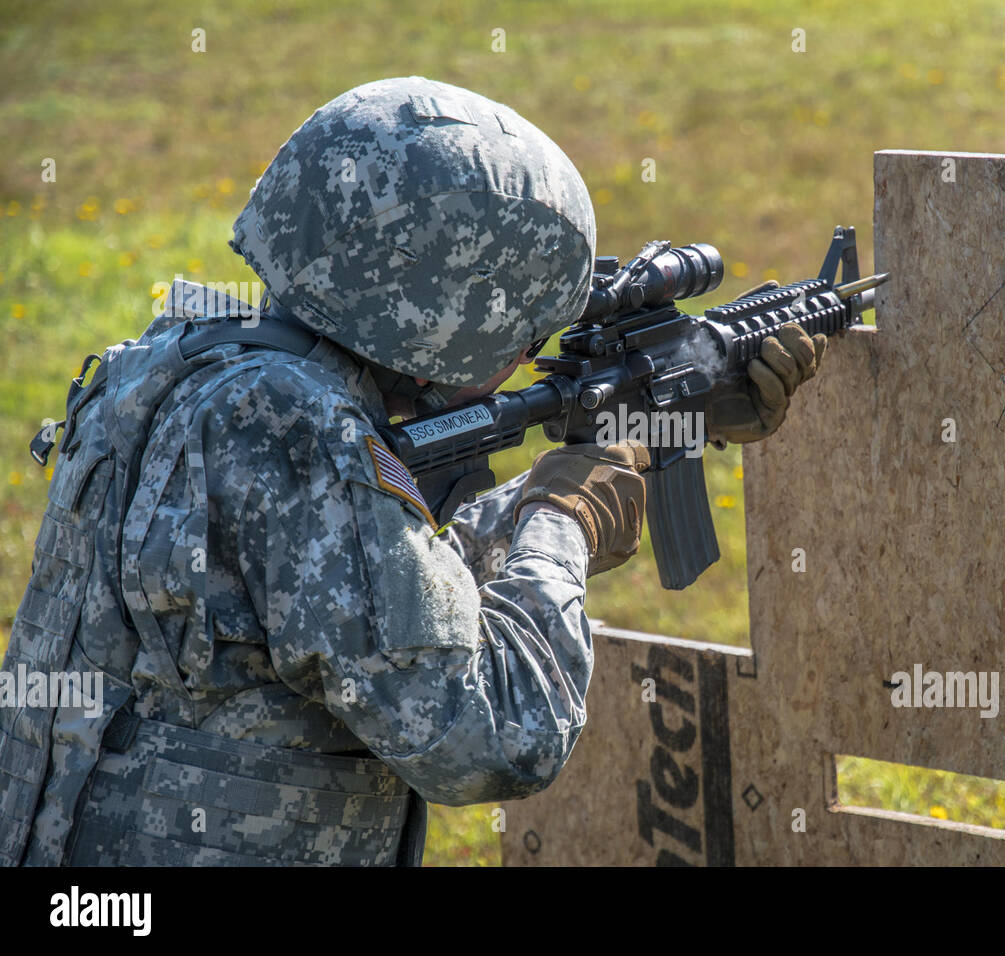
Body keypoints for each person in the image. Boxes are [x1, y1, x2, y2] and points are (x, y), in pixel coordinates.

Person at [0, 76, 826, 866]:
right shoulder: (295, 428)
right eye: (521, 336)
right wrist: (560, 525)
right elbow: (495, 733)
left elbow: (351, 592)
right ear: (448, 318)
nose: (525, 359)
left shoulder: (187, 359)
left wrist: (662, 429)